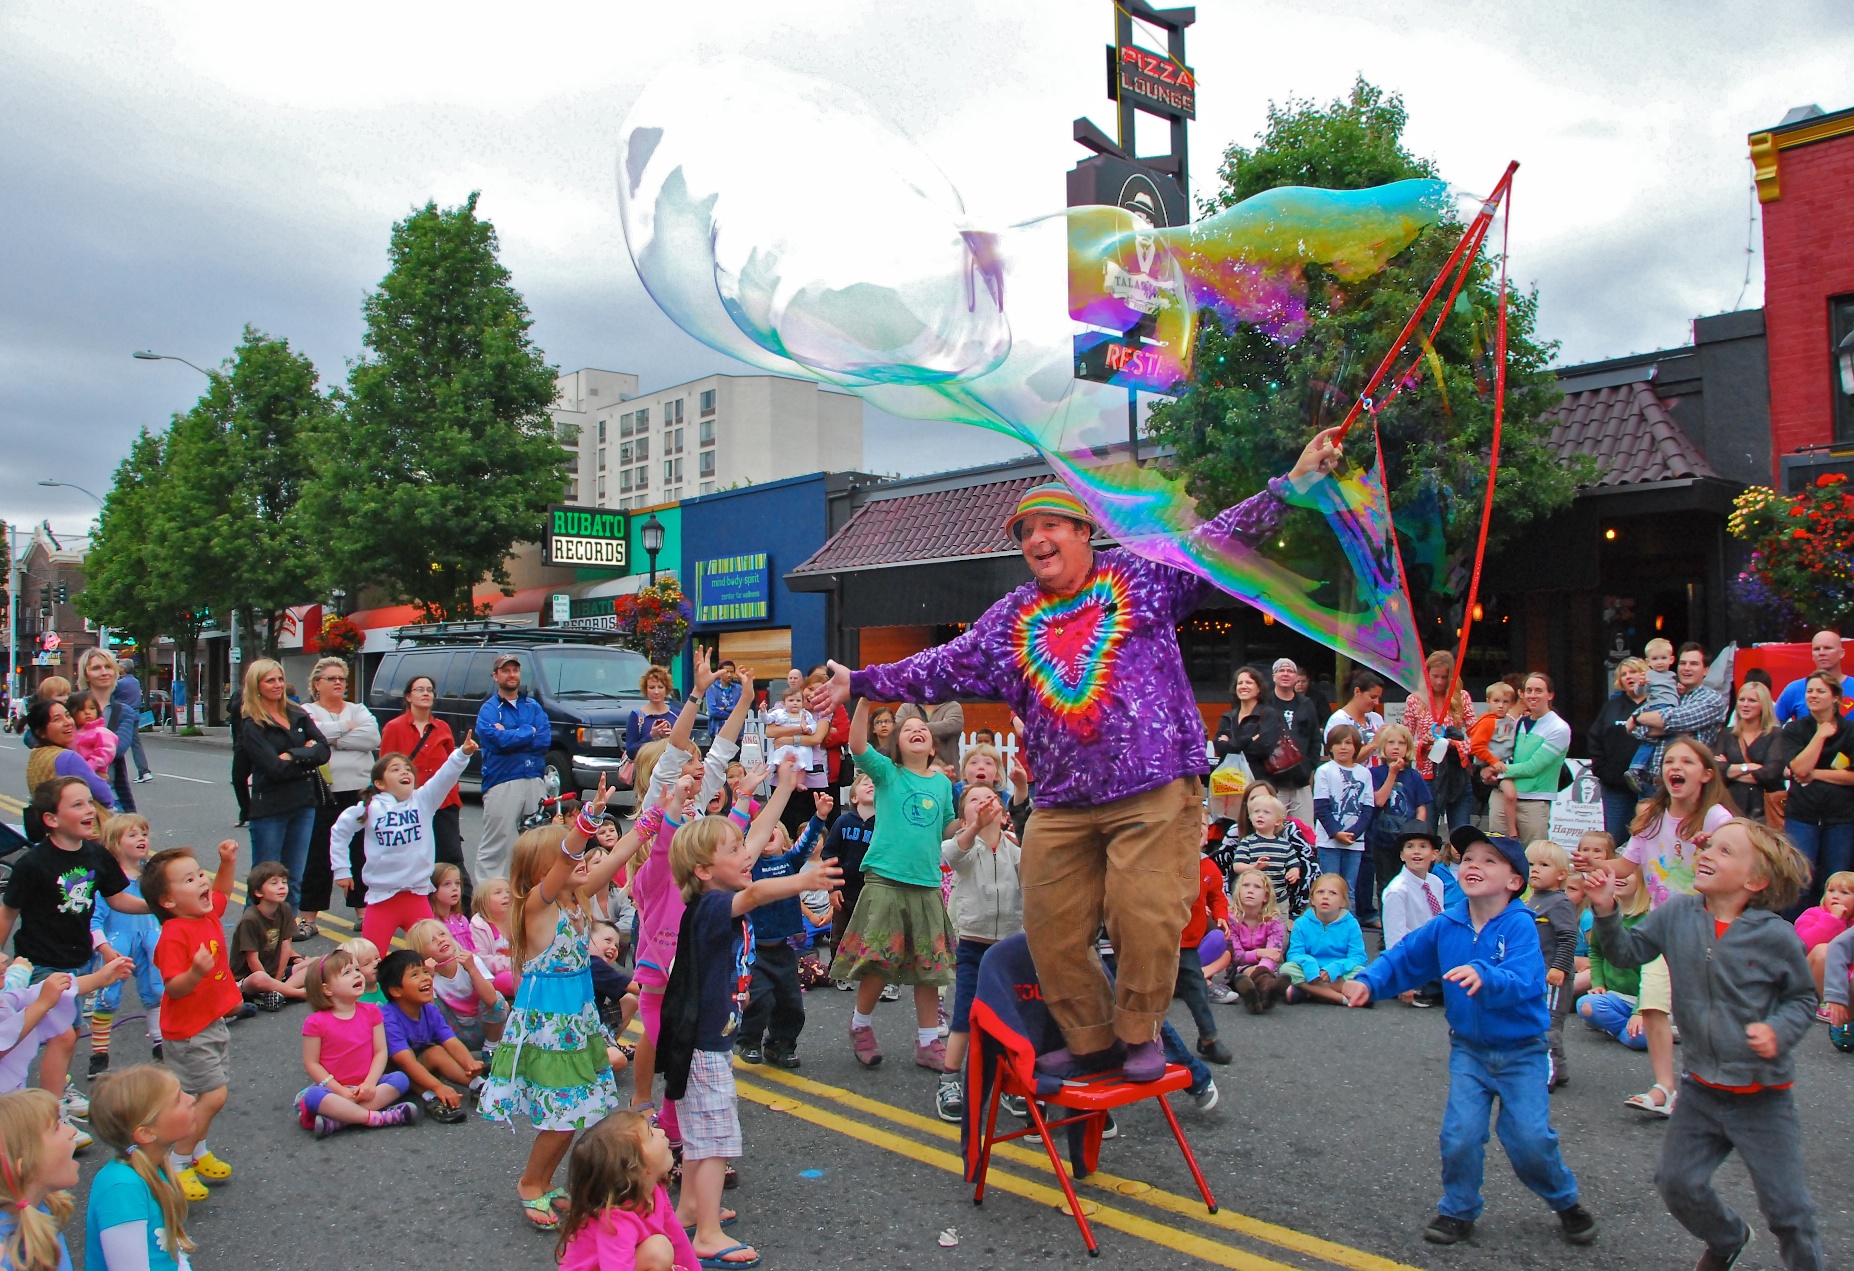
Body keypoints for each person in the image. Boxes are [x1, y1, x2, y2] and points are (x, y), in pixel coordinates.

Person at [811, 431, 1344, 1081]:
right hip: (1063, 803)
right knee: (1051, 925)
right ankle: (1092, 1039)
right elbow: (940, 663)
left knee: (1144, 912)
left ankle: (1139, 1030)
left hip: (1153, 789)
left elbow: (1220, 542)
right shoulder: (1011, 622)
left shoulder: (1142, 578)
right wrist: (863, 680)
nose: (1037, 538)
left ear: (1085, 531)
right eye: (1027, 530)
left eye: (1053, 524)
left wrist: (1291, 485)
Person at [1345, 829, 1596, 1248]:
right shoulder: (1449, 921)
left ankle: (1566, 1201)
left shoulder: (1521, 925)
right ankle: (1457, 1209)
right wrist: (1370, 981)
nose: (1473, 865)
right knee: (1459, 1134)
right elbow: (1406, 956)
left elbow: (1526, 980)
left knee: (1530, 1141)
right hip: (1470, 1050)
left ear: (1515, 881)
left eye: (1489, 860)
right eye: (1469, 858)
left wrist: (1486, 975)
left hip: (1523, 1052)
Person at [1589, 821, 1821, 1271]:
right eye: (1709, 846)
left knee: (1789, 1212)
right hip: (1700, 1088)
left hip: (1762, 1096)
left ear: (1755, 881)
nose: (1708, 853)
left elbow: (1802, 997)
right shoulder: (1677, 914)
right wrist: (1605, 910)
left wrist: (1778, 1030)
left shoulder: (1775, 935)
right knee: (1677, 1183)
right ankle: (1728, 1237)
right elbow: (1627, 954)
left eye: (1726, 851)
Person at [659, 776, 841, 1269]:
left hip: (700, 1041)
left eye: (743, 847)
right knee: (716, 1137)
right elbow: (756, 893)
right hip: (706, 1042)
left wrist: (783, 788)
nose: (747, 854)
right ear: (703, 869)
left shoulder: (711, 895)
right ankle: (709, 1234)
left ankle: (692, 1209)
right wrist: (802, 881)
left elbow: (758, 838)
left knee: (700, 1132)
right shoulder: (716, 905)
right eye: (734, 850)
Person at [478, 780, 630, 1232]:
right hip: (550, 1025)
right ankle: (530, 1182)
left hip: (576, 1020)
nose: (580, 859)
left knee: (575, 1111)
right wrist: (585, 820)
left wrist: (661, 806)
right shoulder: (537, 907)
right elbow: (567, 857)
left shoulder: (577, 899)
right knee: (564, 1113)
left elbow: (623, 851)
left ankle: (543, 1181)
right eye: (568, 855)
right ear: (541, 872)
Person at [1599, 738, 1735, 1116]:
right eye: (1670, 761)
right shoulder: (1651, 821)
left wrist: (1716, 846)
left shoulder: (1716, 818)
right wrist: (1591, 865)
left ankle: (1711, 1084)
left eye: (1687, 762)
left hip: (1706, 930)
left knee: (1703, 1013)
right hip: (1662, 929)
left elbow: (1743, 857)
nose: (1675, 767)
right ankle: (1665, 1088)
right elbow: (1625, 867)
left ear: (1706, 774)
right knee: (1654, 1004)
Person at [0, 777, 143, 1130]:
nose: (89, 810)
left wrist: (158, 906)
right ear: (51, 819)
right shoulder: (33, 864)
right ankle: (51, 1119)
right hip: (40, 962)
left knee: (67, 1034)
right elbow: (8, 912)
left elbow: (116, 898)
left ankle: (56, 1093)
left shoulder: (96, 854)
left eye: (89, 802)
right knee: (62, 1035)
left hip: (81, 960)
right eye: (77, 805)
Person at [828, 704, 956, 1071]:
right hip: (885, 879)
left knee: (930, 967)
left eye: (924, 730)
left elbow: (948, 828)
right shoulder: (888, 774)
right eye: (907, 729)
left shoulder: (943, 784)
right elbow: (856, 745)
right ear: (896, 746)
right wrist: (864, 703)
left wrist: (974, 823)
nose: (917, 731)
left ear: (932, 747)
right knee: (879, 961)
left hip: (927, 884)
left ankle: (929, 1042)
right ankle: (860, 1025)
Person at [142, 840, 243, 1203]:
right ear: (168, 901)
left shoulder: (206, 914)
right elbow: (174, 988)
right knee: (213, 1095)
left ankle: (197, 1152)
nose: (202, 881)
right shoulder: (173, 935)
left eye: (200, 873)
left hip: (210, 1023)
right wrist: (197, 972)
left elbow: (222, 891)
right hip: (188, 1031)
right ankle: (179, 1162)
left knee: (206, 1095)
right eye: (189, 879)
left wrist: (226, 861)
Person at [327, 735, 476, 954]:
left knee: (434, 956)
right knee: (370, 958)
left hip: (417, 897)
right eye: (395, 769)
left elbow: (445, 776)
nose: (405, 772)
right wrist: (341, 869)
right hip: (381, 899)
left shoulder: (423, 800)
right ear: (379, 783)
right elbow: (340, 832)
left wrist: (462, 753)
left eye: (407, 768)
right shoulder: (369, 808)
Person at [935, 783, 1023, 1121]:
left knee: (1011, 1019)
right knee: (965, 1018)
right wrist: (972, 829)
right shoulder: (965, 849)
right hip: (973, 946)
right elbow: (953, 854)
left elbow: (1032, 873)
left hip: (1009, 948)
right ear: (962, 816)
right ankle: (949, 1079)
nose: (984, 803)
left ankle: (1011, 1082)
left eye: (990, 799)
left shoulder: (1013, 851)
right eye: (974, 800)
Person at [737, 797, 830, 1070]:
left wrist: (820, 817)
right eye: (758, 834)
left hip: (785, 949)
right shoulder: (749, 869)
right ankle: (749, 1040)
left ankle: (781, 1045)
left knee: (791, 1003)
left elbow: (807, 842)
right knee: (760, 999)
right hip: (755, 951)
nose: (766, 836)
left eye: (771, 831)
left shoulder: (790, 861)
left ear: (784, 842)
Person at [237, 659, 330, 911]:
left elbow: (323, 750)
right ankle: (253, 939)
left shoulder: (298, 713)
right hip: (270, 809)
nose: (277, 685)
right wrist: (305, 753)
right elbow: (273, 768)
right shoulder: (252, 723)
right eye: (270, 680)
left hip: (304, 804)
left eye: (279, 679)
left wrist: (292, 755)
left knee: (293, 879)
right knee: (265, 880)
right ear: (256, 686)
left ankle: (286, 939)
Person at [294, 950, 418, 1137]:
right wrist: (339, 1090)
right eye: (347, 972)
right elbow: (312, 1063)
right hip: (335, 1089)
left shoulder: (371, 1012)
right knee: (313, 1097)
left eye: (357, 969)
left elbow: (380, 1052)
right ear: (327, 989)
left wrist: (369, 1083)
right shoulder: (315, 1022)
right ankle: (378, 1117)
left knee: (400, 1079)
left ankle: (339, 1120)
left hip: (366, 1085)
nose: (357, 974)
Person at [85, 1065, 197, 1271]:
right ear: (146, 1133)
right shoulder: (122, 1189)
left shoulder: (153, 1167)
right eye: (178, 1100)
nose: (191, 1100)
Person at [555, 1109, 698, 1271]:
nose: (661, 1131)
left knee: (662, 1249)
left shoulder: (653, 1189)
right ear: (636, 1167)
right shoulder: (616, 1219)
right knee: (658, 1251)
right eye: (651, 1134)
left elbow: (677, 1238)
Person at [300, 658, 381, 940]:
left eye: (342, 679)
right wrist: (345, 729)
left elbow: (372, 738)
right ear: (316, 685)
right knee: (318, 853)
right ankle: (308, 916)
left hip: (358, 790)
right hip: (323, 791)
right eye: (331, 678)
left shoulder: (358, 710)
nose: (338, 683)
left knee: (361, 851)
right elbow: (308, 737)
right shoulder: (306, 711)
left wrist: (331, 739)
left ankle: (362, 912)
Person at [379, 674, 470, 914]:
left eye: (430, 689)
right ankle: (416, 911)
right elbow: (385, 767)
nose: (426, 693)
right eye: (420, 689)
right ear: (408, 696)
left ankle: (464, 914)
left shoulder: (442, 728)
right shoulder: (395, 727)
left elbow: (453, 765)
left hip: (444, 804)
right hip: (410, 805)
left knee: (451, 857)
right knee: (415, 860)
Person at [87, 814, 163, 1075]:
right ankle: (99, 1054)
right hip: (118, 945)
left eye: (143, 833)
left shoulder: (152, 877)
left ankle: (160, 1043)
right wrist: (105, 950)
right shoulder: (107, 881)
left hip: (151, 942)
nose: (141, 838)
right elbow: (93, 921)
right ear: (114, 845)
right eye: (132, 835)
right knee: (108, 997)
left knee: (155, 992)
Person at [1777, 669, 1854, 915]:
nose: (1813, 695)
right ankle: (1794, 934)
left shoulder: (1850, 731)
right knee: (1799, 878)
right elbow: (1799, 768)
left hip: (1841, 817)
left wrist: (1816, 774)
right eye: (1809, 691)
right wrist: (1820, 735)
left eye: (1820, 691)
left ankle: (1833, 937)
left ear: (1835, 698)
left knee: (1835, 882)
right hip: (1802, 815)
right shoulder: (1794, 730)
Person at [379, 949, 481, 1123]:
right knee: (403, 1067)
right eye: (415, 975)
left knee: (436, 1051)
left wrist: (469, 1064)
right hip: (394, 1076)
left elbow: (451, 1041)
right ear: (396, 991)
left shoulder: (429, 1010)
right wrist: (438, 1086)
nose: (426, 977)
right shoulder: (387, 1017)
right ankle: (431, 1097)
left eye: (425, 972)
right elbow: (405, 1062)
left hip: (420, 1065)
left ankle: (478, 1085)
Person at [474, 654, 551, 887]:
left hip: (534, 779)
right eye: (505, 670)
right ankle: (490, 900)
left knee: (537, 842)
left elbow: (545, 739)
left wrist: (513, 733)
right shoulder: (489, 709)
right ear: (495, 676)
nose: (511, 675)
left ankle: (530, 895)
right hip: (502, 781)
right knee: (498, 844)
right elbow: (495, 740)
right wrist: (529, 731)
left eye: (515, 670)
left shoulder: (533, 706)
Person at [1400, 649, 1478, 839]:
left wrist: (1455, 745)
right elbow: (1405, 739)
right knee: (1426, 835)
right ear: (1426, 674)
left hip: (1456, 773)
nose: (1439, 682)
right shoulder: (1415, 700)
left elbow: (1477, 738)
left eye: (1444, 677)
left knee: (1461, 835)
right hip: (1427, 777)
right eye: (1435, 676)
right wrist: (1423, 744)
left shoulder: (1462, 697)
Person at [0, 1089, 80, 1271]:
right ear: (26, 1165)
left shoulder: (43, 1208)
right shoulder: (4, 1252)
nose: (72, 1131)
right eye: (56, 1128)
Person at [1489, 673, 1570, 844]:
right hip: (1502, 797)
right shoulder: (1518, 722)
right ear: (1522, 694)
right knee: (1497, 855)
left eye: (1539, 691)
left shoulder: (1559, 728)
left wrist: (1495, 769)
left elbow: (1532, 767)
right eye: (1529, 690)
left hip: (1533, 802)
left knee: (1534, 858)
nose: (1533, 695)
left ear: (1550, 695)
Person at [407, 918, 508, 1056]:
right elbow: (431, 1015)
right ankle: (458, 1056)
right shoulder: (429, 977)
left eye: (442, 934)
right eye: (432, 940)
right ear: (421, 954)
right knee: (430, 1012)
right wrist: (428, 979)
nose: (440, 940)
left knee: (499, 1000)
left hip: (484, 1025)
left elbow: (491, 1000)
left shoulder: (470, 961)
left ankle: (490, 1048)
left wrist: (472, 969)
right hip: (454, 1032)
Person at [1635, 643, 1729, 787]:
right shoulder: (1667, 692)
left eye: (1694, 664)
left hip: (1689, 785)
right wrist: (1639, 720)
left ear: (1706, 670)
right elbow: (1637, 730)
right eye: (1683, 663)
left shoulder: (1712, 699)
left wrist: (1638, 719)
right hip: (1651, 784)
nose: (1687, 668)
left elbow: (1676, 719)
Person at [1525, 840, 1579, 1090]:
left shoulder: (1560, 902)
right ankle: (1562, 1068)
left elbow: (1569, 937)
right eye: (1531, 864)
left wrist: (1560, 967)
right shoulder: (1534, 900)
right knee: (1537, 1019)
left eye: (1543, 865)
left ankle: (1548, 1072)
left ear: (1560, 874)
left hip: (1553, 974)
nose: (1534, 869)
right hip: (1536, 972)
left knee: (1547, 1023)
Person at [1576, 867, 1649, 1050]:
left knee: (1639, 1040)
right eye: (1616, 874)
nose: (1619, 878)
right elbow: (1596, 952)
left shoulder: (1650, 919)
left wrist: (1640, 1011)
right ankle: (1624, 1030)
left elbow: (1654, 971)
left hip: (1646, 1000)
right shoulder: (1602, 917)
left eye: (1627, 873)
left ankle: (1629, 1029)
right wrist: (1598, 984)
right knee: (1586, 1005)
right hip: (1616, 998)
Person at [1175, 836, 1231, 1063]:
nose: (1195, 832)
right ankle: (1145, 1041)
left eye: (1202, 826)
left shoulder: (1208, 866)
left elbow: (1217, 896)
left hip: (1187, 941)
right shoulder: (1162, 861)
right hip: (1157, 938)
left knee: (1197, 990)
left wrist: (1221, 916)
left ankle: (1209, 1038)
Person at [1221, 788, 1318, 919]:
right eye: (1256, 812)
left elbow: (1294, 864)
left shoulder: (1285, 844)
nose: (1260, 815)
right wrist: (1253, 868)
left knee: (1279, 929)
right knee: (1255, 928)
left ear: (1278, 821)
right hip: (1254, 898)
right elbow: (1237, 866)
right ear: (1250, 817)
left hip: (1279, 898)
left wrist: (1293, 872)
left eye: (1266, 812)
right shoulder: (1247, 842)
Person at [1366, 724, 1430, 913]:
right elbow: (1379, 800)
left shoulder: (1414, 776)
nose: (1396, 747)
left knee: (1408, 882)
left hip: (1405, 841)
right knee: (1385, 884)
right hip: (1381, 839)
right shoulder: (1375, 773)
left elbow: (1421, 807)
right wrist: (1392, 773)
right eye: (1391, 742)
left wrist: (1417, 833)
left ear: (1408, 747)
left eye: (1401, 743)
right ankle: (1387, 931)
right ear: (1383, 747)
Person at [1379, 829, 1447, 1007]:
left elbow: (1440, 921)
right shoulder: (1397, 891)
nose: (1416, 851)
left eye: (1423, 846)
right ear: (1402, 855)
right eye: (1410, 847)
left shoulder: (1436, 883)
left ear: (1434, 854)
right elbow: (1395, 940)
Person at [1588, 657, 1651, 844]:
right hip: (1616, 787)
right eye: (1624, 674)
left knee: (1650, 839)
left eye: (1633, 671)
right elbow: (1594, 737)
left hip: (1650, 787)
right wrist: (1602, 770)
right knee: (1614, 840)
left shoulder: (1658, 703)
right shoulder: (1612, 706)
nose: (1629, 677)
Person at [230, 862, 309, 1009]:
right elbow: (252, 959)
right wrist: (271, 983)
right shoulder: (250, 919)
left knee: (317, 963)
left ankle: (279, 993)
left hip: (273, 973)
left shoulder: (284, 908)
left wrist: (277, 980)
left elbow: (286, 947)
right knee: (260, 978)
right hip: (249, 977)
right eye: (274, 883)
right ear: (258, 892)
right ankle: (298, 993)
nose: (282, 886)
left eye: (284, 882)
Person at [21, 699, 115, 818]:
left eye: (67, 715)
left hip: (47, 827)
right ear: (41, 732)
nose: (68, 723)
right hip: (80, 827)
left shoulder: (36, 754)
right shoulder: (68, 758)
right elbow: (103, 793)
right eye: (57, 719)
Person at [823, 772, 876, 984]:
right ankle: (839, 970)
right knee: (840, 934)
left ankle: (868, 972)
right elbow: (829, 854)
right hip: (843, 890)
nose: (871, 785)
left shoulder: (883, 824)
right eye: (865, 783)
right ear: (853, 798)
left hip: (871, 890)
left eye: (875, 783)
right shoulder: (843, 822)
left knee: (871, 934)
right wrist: (832, 888)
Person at [1282, 874, 1366, 1005]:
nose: (1325, 897)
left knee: (1362, 973)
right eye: (1320, 892)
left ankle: (1310, 992)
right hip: (1310, 972)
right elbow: (1294, 953)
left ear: (1343, 902)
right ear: (1313, 899)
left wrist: (1336, 968)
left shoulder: (1351, 924)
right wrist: (1308, 963)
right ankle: (1339, 998)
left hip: (1339, 973)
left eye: (1333, 893)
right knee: (1287, 969)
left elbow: (1358, 957)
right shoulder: (1301, 923)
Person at [1311, 724, 1372, 902]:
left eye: (1348, 743)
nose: (1343, 747)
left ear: (1356, 747)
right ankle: (1327, 926)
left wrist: (1353, 834)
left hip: (1355, 842)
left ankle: (1348, 927)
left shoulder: (1364, 773)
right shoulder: (1324, 771)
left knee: (1348, 889)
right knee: (1328, 887)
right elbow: (1321, 807)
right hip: (1329, 841)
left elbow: (1368, 808)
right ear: (1330, 747)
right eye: (1338, 743)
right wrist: (1336, 832)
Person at [74, 650, 137, 814]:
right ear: (86, 673)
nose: (103, 672)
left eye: (108, 667)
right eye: (96, 668)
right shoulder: (70, 706)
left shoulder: (125, 712)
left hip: (110, 796)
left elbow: (118, 748)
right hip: (72, 796)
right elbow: (35, 735)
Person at [1719, 679, 1785, 822]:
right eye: (1742, 699)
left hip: (1764, 811)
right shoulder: (1726, 735)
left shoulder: (1776, 735)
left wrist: (1730, 772)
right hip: (1730, 809)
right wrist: (1748, 767)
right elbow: (1715, 770)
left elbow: (1771, 774)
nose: (1745, 704)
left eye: (1752, 700)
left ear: (1763, 705)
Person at [1222, 871, 1288, 1012]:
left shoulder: (1274, 922)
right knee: (1246, 974)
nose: (1250, 890)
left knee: (1263, 976)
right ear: (1238, 891)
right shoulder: (1230, 919)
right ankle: (1267, 993)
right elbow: (1237, 956)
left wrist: (1260, 968)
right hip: (1237, 970)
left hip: (1267, 968)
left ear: (1265, 896)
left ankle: (1255, 999)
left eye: (1257, 887)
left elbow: (1274, 955)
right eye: (1246, 885)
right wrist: (1260, 953)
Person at [1267, 657, 1322, 822]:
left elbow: (1315, 738)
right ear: (1273, 676)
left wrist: (1308, 766)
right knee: (1272, 827)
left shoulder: (1306, 704)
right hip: (1272, 782)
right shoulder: (1265, 703)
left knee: (1304, 832)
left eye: (1290, 671)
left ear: (1296, 677)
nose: (1285, 674)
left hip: (1301, 781)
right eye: (1281, 670)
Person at [1211, 666, 1281, 798]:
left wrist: (1231, 744)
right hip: (1229, 783)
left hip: (1258, 782)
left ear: (1259, 688)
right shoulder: (1228, 717)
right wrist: (1248, 740)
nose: (1243, 686)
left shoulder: (1268, 714)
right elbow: (1219, 748)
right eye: (1240, 683)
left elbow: (1263, 748)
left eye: (1249, 682)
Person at [1625, 638, 1682, 792]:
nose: (1659, 662)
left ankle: (1639, 768)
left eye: (1663, 658)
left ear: (1671, 659)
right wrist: (1641, 684)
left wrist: (1680, 689)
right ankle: (1635, 768)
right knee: (1653, 739)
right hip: (1657, 707)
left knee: (1659, 740)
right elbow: (1640, 693)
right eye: (1655, 659)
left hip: (1671, 707)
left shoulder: (1672, 676)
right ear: (1648, 661)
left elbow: (1675, 692)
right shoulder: (1648, 675)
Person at [1468, 679, 1520, 835]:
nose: (1501, 705)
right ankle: (1512, 831)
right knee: (1510, 793)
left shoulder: (1510, 721)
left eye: (1505, 702)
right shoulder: (1488, 723)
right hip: (1489, 765)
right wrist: (1493, 761)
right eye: (1496, 701)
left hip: (1505, 763)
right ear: (1488, 702)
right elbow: (1476, 746)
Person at [1774, 628, 1854, 723]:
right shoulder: (1794, 689)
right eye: (1817, 649)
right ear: (1812, 654)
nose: (1822, 653)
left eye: (1828, 648)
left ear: (1841, 653)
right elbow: (1772, 727)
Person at [1327, 669, 1386, 763]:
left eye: (1379, 698)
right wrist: (1374, 744)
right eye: (1373, 697)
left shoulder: (1376, 718)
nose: (1377, 702)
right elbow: (1343, 759)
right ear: (1357, 691)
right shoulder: (1338, 720)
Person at [625, 666, 677, 760]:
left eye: (660, 687)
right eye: (652, 687)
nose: (656, 692)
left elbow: (687, 747)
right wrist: (651, 736)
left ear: (667, 689)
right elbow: (631, 752)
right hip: (645, 770)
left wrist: (673, 738)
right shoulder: (636, 716)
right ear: (646, 690)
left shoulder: (676, 714)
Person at [66, 697, 115, 781]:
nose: (87, 712)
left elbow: (104, 753)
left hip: (94, 773)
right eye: (81, 709)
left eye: (92, 708)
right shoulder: (71, 732)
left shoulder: (101, 732)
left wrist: (87, 768)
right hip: (74, 774)